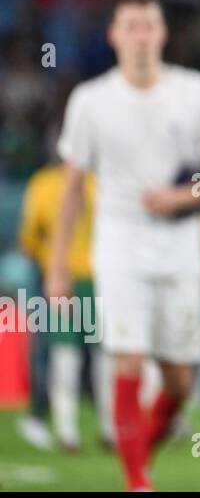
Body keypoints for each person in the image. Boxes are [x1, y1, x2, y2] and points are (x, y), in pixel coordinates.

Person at [46, 0, 200, 490]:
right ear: (114, 35)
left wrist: (183, 196)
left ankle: (140, 455)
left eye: (149, 26)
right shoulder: (91, 100)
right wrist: (58, 267)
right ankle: (137, 482)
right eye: (130, 27)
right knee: (127, 357)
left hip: (180, 245)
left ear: (163, 33)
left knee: (180, 379)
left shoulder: (195, 91)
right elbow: (72, 187)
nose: (140, 36)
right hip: (120, 243)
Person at [19, 130, 112, 453]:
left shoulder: (48, 184)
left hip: (74, 278)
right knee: (87, 355)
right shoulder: (94, 183)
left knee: (77, 355)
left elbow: (29, 238)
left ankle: (75, 430)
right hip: (81, 278)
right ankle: (97, 429)